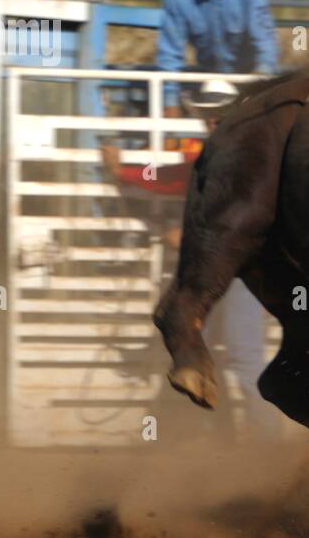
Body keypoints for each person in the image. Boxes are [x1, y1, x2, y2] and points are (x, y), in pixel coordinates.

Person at [99, 79, 277, 438]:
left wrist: (190, 236)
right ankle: (211, 437)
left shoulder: (247, 157)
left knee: (241, 357)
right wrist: (126, 173)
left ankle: (263, 440)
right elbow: (167, 176)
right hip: (222, 272)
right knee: (206, 350)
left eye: (219, 116)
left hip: (241, 272)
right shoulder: (211, 157)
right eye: (208, 116)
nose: (212, 123)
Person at [155, 0, 278, 116]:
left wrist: (259, 85)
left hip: (247, 82)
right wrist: (170, 101)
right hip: (207, 82)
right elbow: (170, 55)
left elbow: (265, 43)